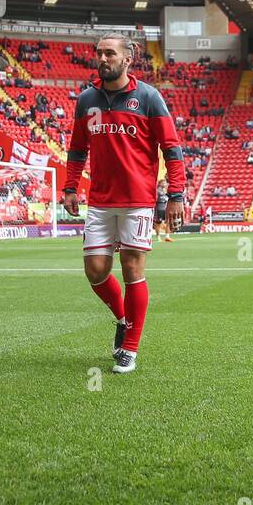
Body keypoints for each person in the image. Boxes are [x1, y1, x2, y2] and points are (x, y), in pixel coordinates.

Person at [61, 36, 186, 373]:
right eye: (99, 53)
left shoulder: (148, 97)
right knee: (96, 271)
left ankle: (130, 348)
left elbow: (172, 150)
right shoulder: (87, 99)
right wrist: (70, 187)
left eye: (109, 53)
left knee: (133, 269)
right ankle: (122, 318)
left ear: (128, 59)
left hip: (138, 201)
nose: (103, 58)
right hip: (100, 201)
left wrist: (176, 195)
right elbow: (76, 149)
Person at [153, 177, 173, 244]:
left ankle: (167, 236)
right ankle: (158, 236)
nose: (165, 183)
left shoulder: (167, 190)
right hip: (159, 208)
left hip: (166, 207)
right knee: (158, 222)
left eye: (165, 182)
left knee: (168, 221)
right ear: (160, 183)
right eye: (163, 182)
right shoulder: (157, 190)